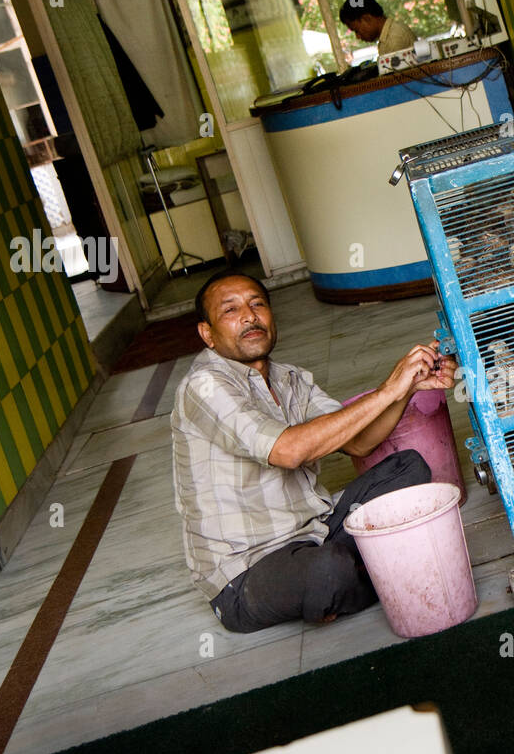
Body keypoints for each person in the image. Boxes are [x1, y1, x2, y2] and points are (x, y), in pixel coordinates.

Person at [171, 270, 456, 632]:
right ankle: (366, 569)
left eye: (258, 304)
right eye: (231, 310)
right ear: (207, 334)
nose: (249, 316)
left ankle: (352, 573)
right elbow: (289, 451)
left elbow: (358, 441)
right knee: (328, 569)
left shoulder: (290, 378)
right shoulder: (203, 386)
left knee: (409, 467)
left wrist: (408, 388)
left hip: (316, 529)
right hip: (246, 571)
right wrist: (387, 389)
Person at [338, 0, 416, 57]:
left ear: (367, 18)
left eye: (356, 30)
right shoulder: (389, 37)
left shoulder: (395, 38)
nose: (358, 37)